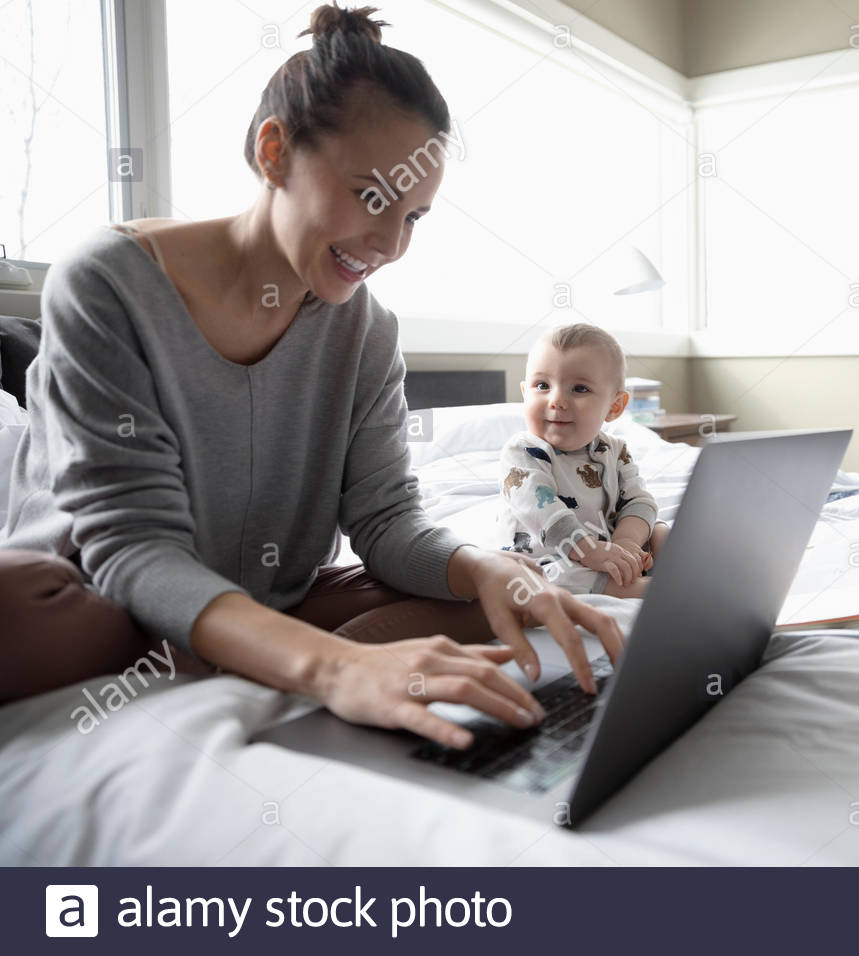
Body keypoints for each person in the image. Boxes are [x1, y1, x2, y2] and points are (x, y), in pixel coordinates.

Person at [0, 3, 624, 748]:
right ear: (274, 151)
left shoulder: (365, 329)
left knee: (507, 587)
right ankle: (287, 655)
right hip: (102, 598)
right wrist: (330, 668)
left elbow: (386, 522)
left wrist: (488, 569)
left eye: (415, 217)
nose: (391, 244)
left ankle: (264, 650)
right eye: (371, 197)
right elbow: (134, 549)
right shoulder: (105, 282)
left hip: (277, 599)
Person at [499, 323, 668, 600]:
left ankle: (680, 570)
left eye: (579, 388)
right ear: (525, 392)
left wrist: (626, 543)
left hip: (608, 545)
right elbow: (542, 512)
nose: (556, 400)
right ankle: (643, 591)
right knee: (549, 577)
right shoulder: (524, 453)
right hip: (549, 554)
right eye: (542, 385)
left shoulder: (614, 450)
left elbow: (640, 501)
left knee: (659, 530)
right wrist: (589, 551)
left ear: (614, 407)